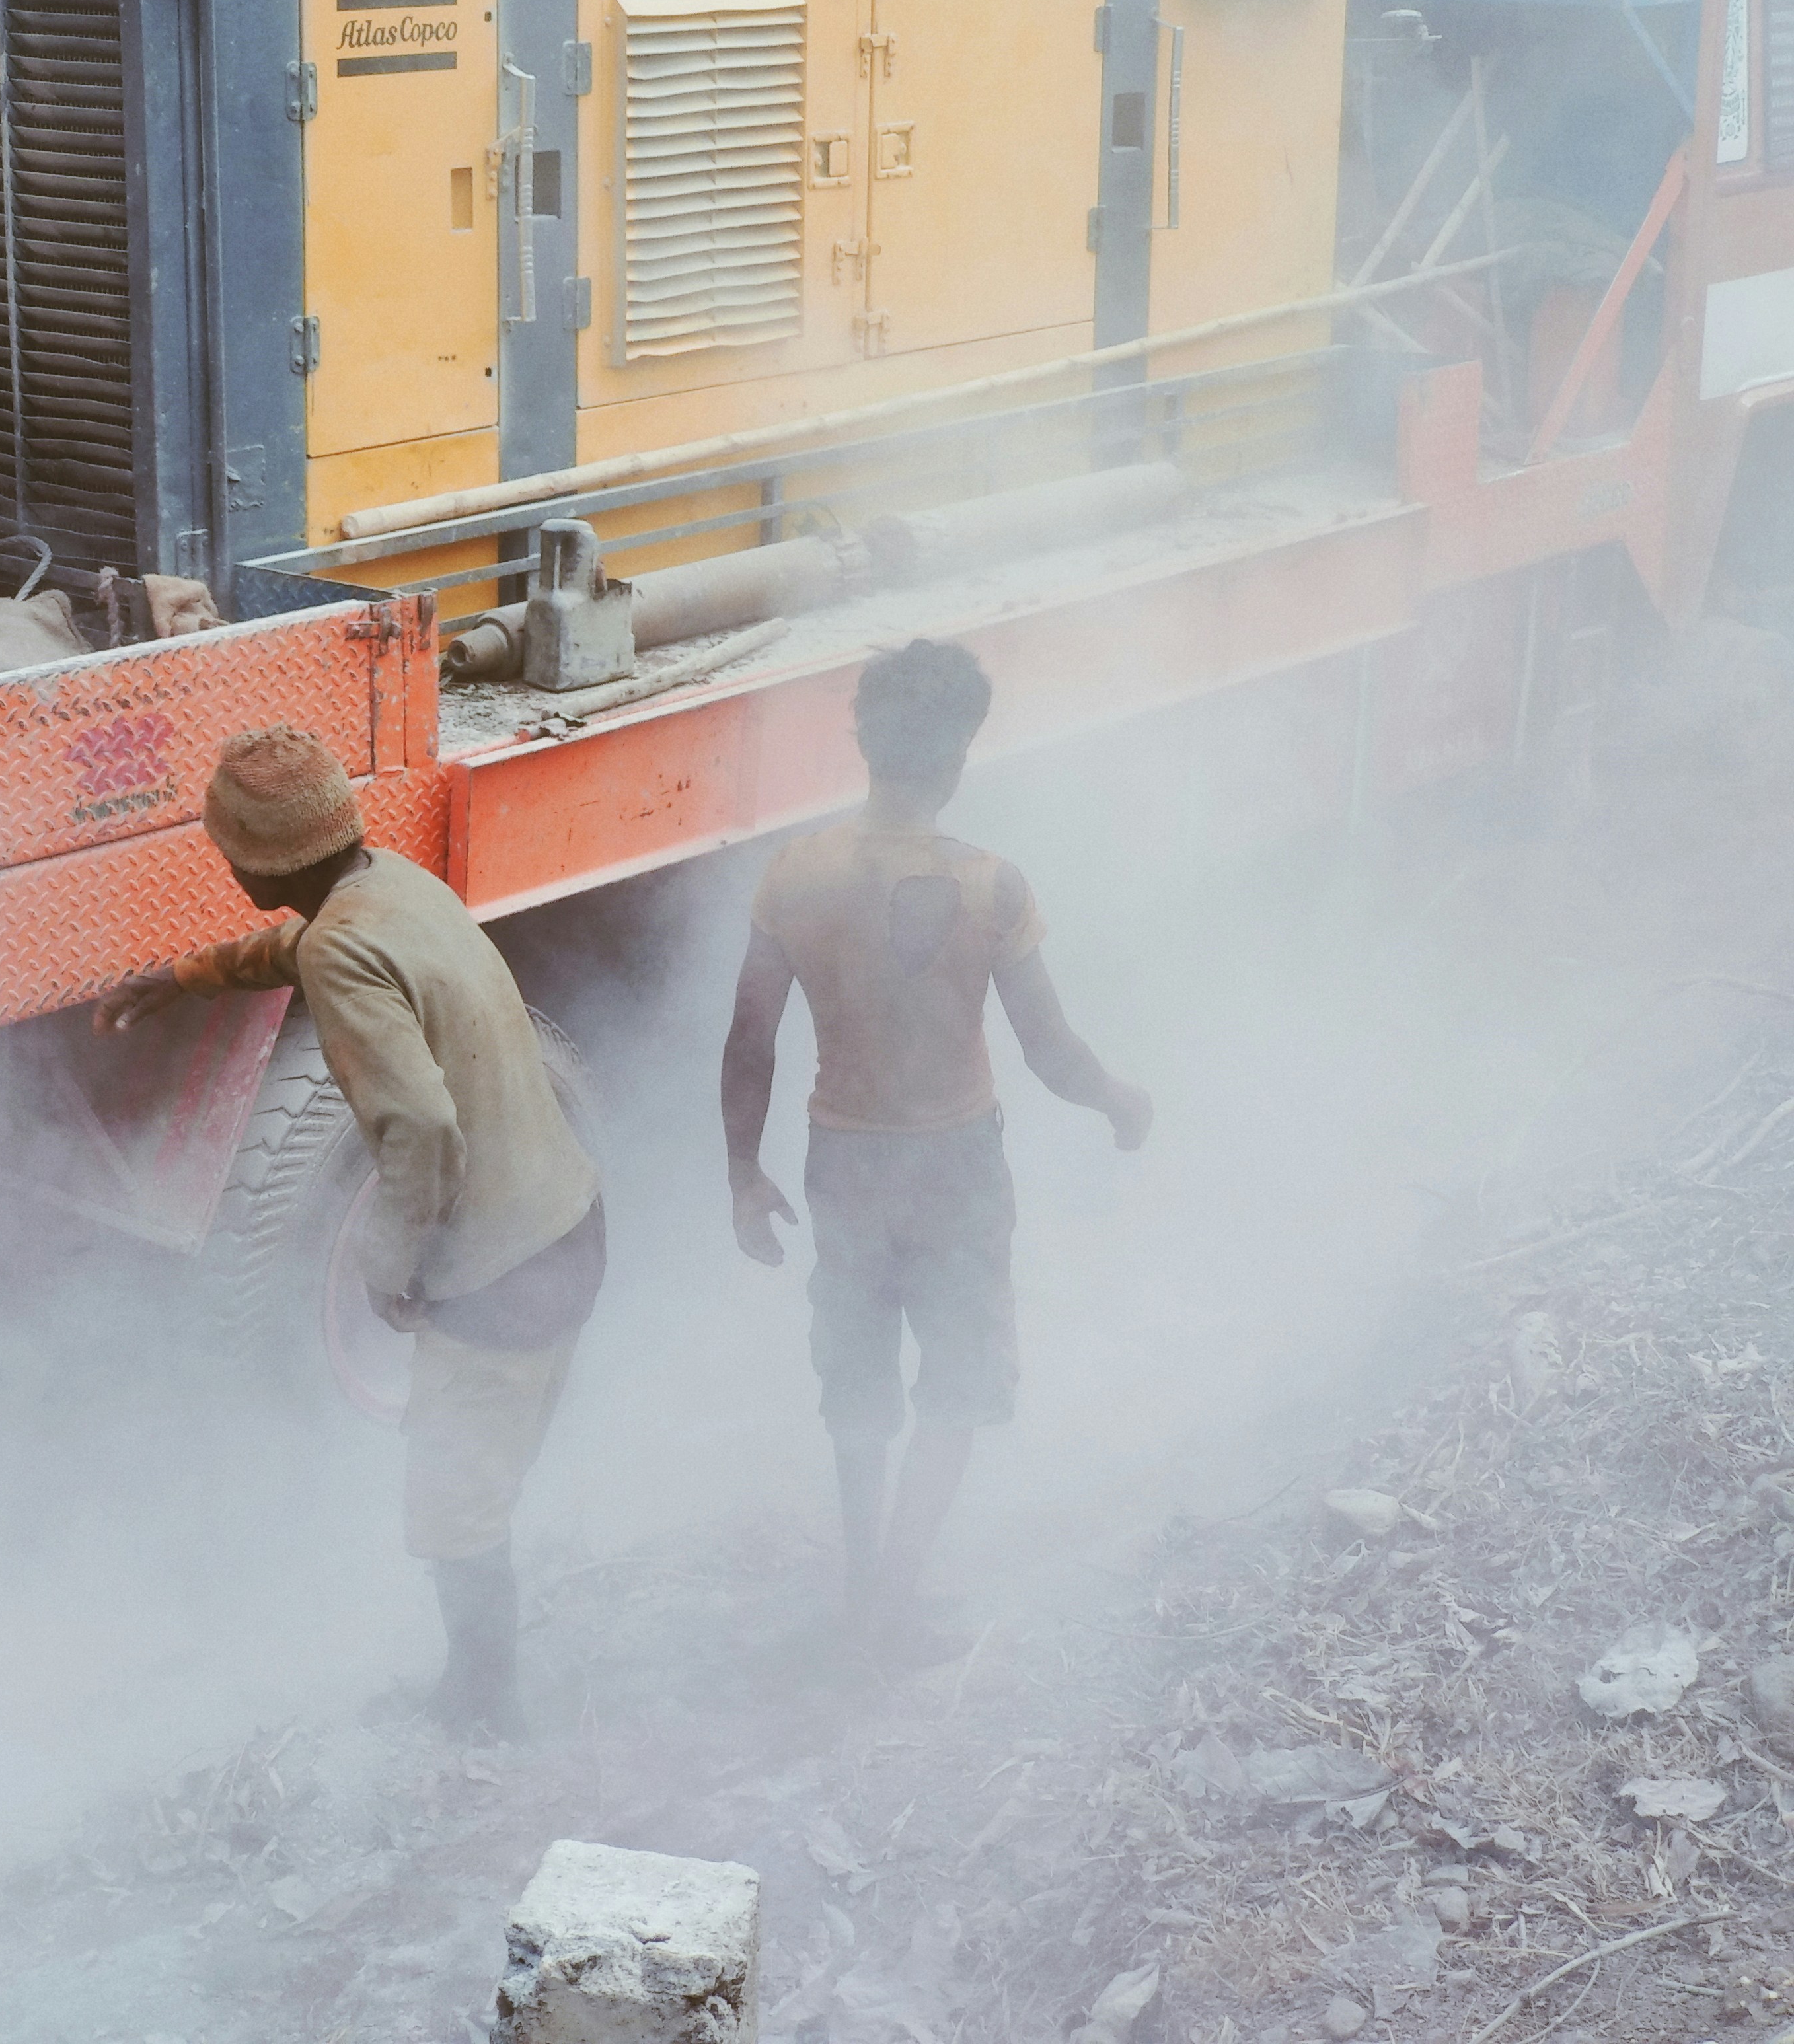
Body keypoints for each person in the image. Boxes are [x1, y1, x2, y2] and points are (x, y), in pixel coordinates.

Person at [96, 725, 601, 1740]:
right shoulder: (394, 885)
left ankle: (484, 1716)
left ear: (253, 862)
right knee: (479, 1480)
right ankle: (485, 1689)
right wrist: (188, 977)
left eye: (227, 850)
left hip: (504, 1265)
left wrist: (388, 1263)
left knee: (455, 1515)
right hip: (573, 1222)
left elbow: (416, 1124)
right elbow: (308, 943)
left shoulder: (341, 945)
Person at [721, 638, 1150, 1659]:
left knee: (857, 1383)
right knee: (957, 1383)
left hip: (844, 1159)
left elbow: (749, 1039)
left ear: (866, 746)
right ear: (959, 759)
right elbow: (1046, 1048)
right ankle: (890, 1606)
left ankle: (865, 1586)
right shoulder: (992, 888)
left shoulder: (797, 875)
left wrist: (743, 1171)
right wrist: (1119, 1102)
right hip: (955, 1163)